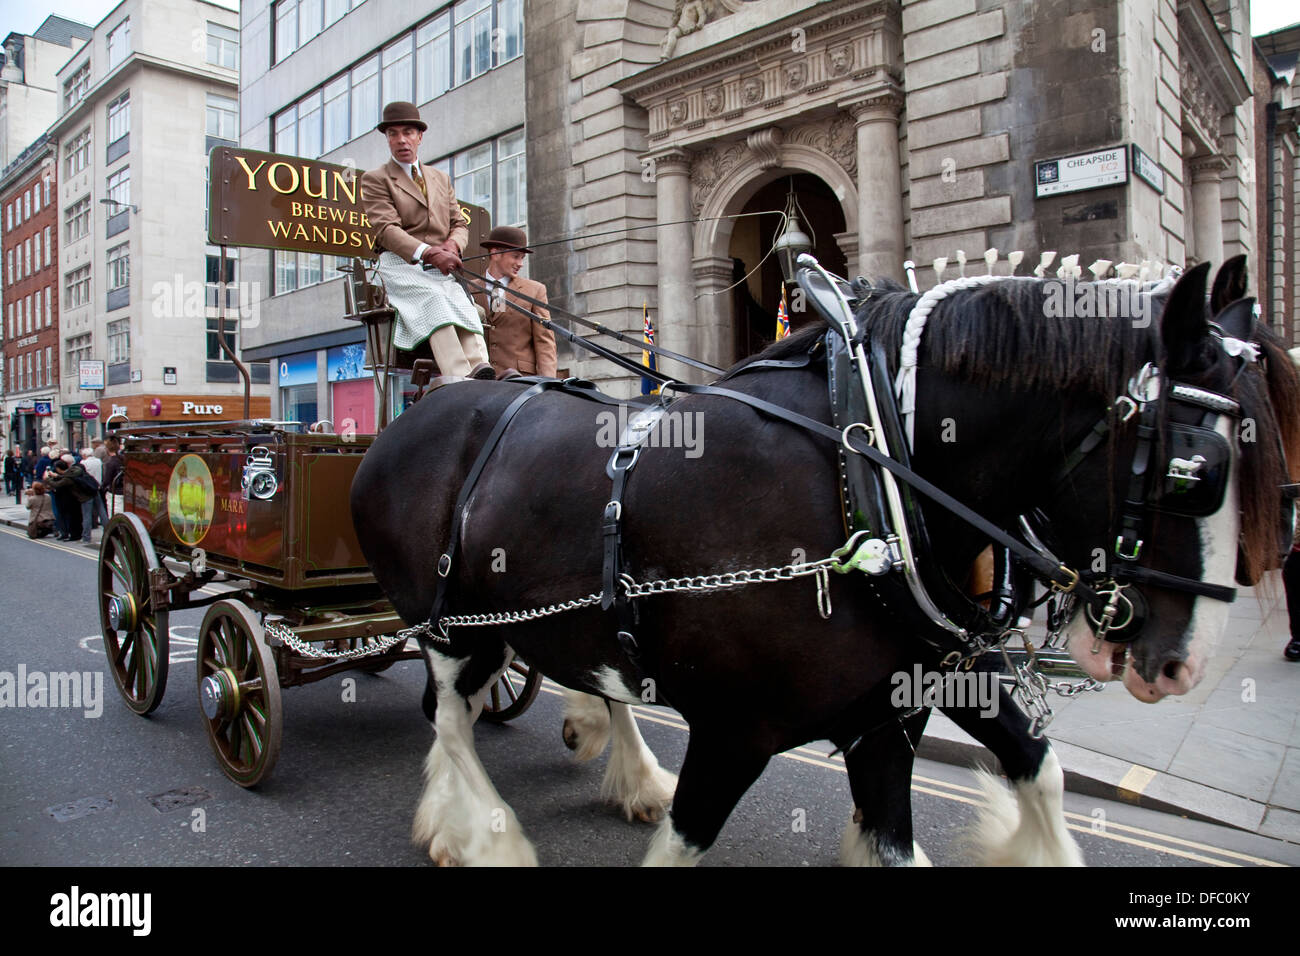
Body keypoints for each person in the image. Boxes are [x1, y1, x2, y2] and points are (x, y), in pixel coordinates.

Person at [360, 101, 495, 384]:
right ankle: (458, 375)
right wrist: (429, 252)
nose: (401, 140)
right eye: (393, 134)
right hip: (400, 265)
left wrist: (452, 246)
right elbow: (386, 229)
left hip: (440, 267)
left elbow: (459, 223)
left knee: (463, 302)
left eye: (408, 132)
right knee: (434, 300)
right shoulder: (376, 179)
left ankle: (482, 369)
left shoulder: (440, 179)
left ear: (419, 136)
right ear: (387, 139)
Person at [470, 226, 558, 379]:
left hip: (520, 380)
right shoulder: (468, 288)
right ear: (495, 253)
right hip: (478, 380)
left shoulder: (535, 290)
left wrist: (548, 382)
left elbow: (545, 343)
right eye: (516, 256)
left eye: (522, 258)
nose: (520, 263)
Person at [45, 459, 83, 541]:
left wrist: (47, 478)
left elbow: (57, 484)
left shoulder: (67, 477)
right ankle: (67, 533)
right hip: (70, 499)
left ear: (59, 469)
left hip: (67, 499)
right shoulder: (70, 474)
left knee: (68, 517)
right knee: (69, 517)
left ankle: (71, 534)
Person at [80, 448, 109, 537]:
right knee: (102, 511)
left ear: (85, 455)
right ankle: (107, 530)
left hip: (87, 489)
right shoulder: (98, 461)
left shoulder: (83, 463)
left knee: (87, 514)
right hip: (97, 487)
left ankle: (86, 536)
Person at [102, 435, 124, 516]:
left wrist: (103, 488)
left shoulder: (110, 463)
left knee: (115, 515)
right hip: (125, 491)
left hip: (116, 493)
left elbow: (107, 480)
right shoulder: (124, 459)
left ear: (107, 449)